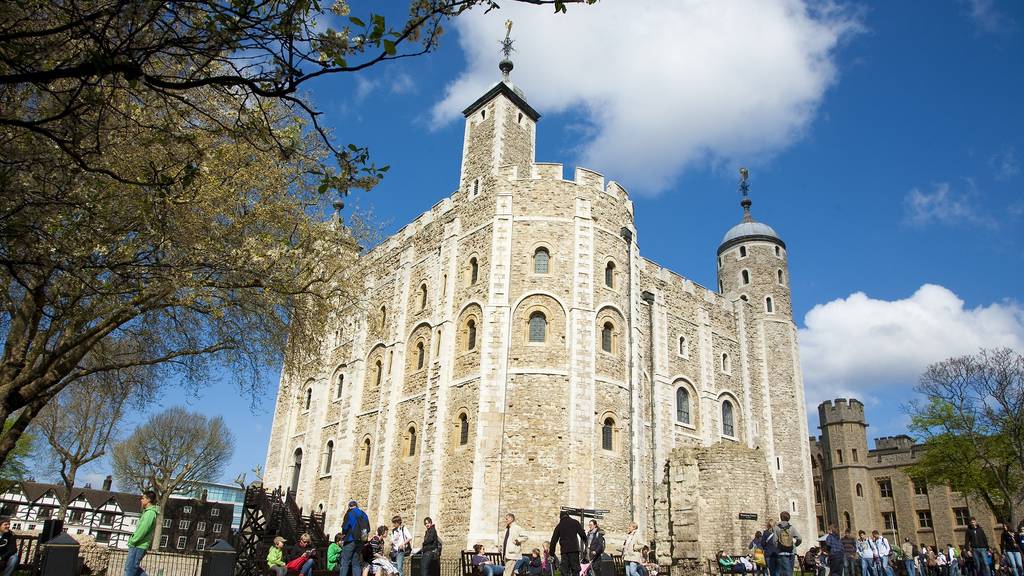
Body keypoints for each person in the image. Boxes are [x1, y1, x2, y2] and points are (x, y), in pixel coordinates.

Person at [124, 490, 159, 576]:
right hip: (137, 544)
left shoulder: (150, 513)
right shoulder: (147, 512)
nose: (141, 500)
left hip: (138, 545)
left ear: (149, 500)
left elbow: (143, 530)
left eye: (143, 498)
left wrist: (133, 541)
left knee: (130, 570)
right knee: (133, 568)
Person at [549, 512, 587, 576]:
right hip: (574, 550)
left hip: (564, 552)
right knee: (575, 570)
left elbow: (553, 541)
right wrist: (586, 543)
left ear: (560, 517)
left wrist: (551, 554)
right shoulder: (575, 522)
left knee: (565, 570)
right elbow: (583, 534)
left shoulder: (559, 526)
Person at [342, 501, 371, 576]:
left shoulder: (349, 513)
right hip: (361, 541)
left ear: (349, 506)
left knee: (345, 562)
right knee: (356, 563)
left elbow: (345, 527)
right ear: (357, 506)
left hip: (350, 540)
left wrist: (344, 533)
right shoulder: (364, 514)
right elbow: (368, 529)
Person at [772, 511, 802, 576]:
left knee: (786, 573)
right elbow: (799, 538)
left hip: (782, 552)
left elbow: (774, 541)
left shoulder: (777, 528)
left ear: (781, 517)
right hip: (792, 551)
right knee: (790, 571)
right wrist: (794, 545)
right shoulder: (791, 527)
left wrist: (779, 547)